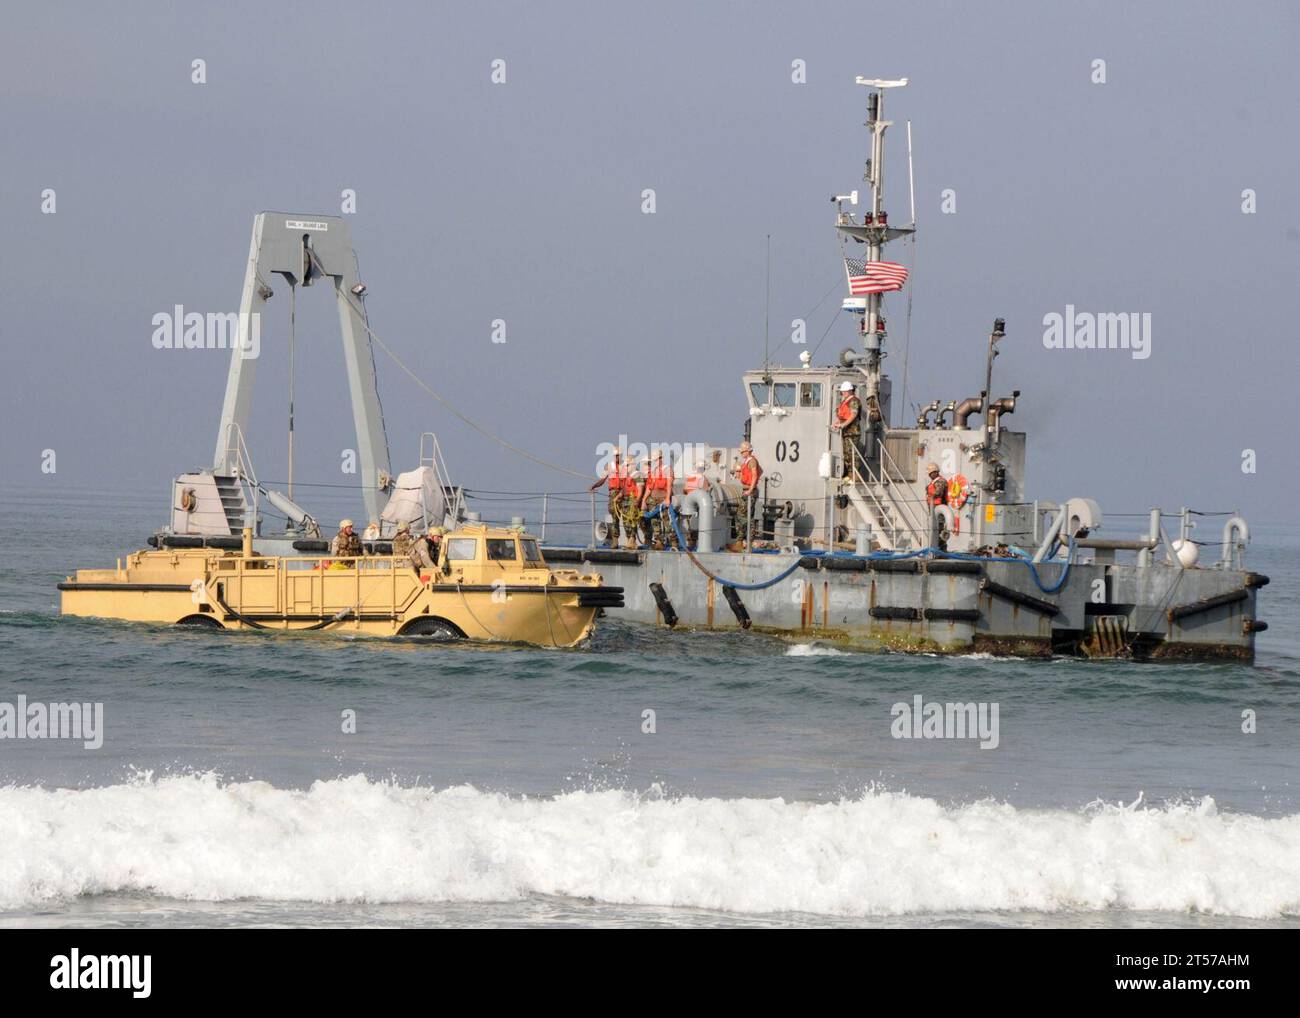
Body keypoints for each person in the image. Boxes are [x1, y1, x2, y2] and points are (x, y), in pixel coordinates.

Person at [588, 449, 627, 548]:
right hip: (613, 493)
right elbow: (603, 479)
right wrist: (594, 486)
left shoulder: (625, 466)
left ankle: (630, 539)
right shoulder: (609, 467)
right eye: (616, 455)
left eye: (619, 455)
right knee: (614, 517)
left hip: (624, 493)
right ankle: (615, 540)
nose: (617, 457)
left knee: (627, 517)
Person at [640, 449, 677, 550]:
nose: (655, 462)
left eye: (656, 460)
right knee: (654, 521)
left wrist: (667, 499)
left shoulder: (667, 470)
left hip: (663, 498)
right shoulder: (652, 472)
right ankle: (658, 541)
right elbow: (649, 487)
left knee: (667, 521)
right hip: (653, 499)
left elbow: (669, 485)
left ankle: (674, 542)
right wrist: (643, 500)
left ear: (661, 459)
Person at [830, 381, 861, 478]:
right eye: (842, 391)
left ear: (849, 391)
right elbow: (844, 416)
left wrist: (843, 425)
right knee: (847, 454)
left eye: (844, 391)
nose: (842, 393)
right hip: (846, 432)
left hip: (852, 432)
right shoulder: (846, 401)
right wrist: (837, 424)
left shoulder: (854, 401)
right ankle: (849, 474)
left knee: (852, 454)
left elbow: (853, 415)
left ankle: (855, 476)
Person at [735, 441, 763, 547]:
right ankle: (745, 541)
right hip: (747, 490)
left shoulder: (752, 461)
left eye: (743, 451)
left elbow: (755, 475)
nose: (741, 453)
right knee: (746, 516)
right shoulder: (747, 461)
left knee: (741, 515)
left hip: (749, 492)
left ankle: (743, 540)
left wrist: (750, 490)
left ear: (748, 451)